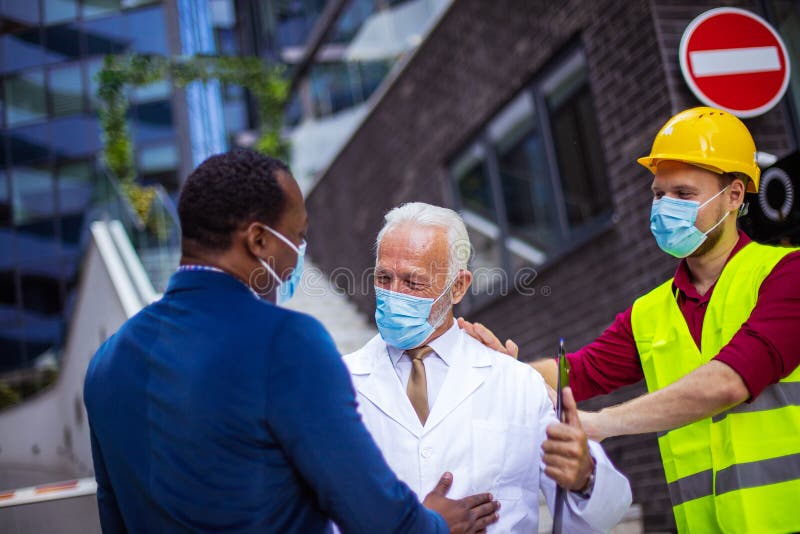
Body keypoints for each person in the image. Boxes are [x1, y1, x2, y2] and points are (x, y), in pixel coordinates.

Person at [83, 150, 501, 533]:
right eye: (297, 236)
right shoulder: (285, 343)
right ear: (259, 240)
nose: (300, 251)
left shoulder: (106, 362)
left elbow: (112, 514)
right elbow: (370, 513)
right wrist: (435, 525)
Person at [465, 107, 800, 533]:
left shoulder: (787, 273)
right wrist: (504, 372)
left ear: (734, 196)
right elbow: (576, 372)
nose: (665, 208)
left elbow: (731, 380)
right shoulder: (650, 312)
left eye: (683, 194)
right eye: (659, 194)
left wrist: (602, 423)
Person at [340, 202, 632, 533]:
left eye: (413, 282)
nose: (393, 294)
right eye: (383, 277)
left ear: (459, 286)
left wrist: (584, 479)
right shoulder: (336, 383)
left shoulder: (516, 383)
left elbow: (597, 518)